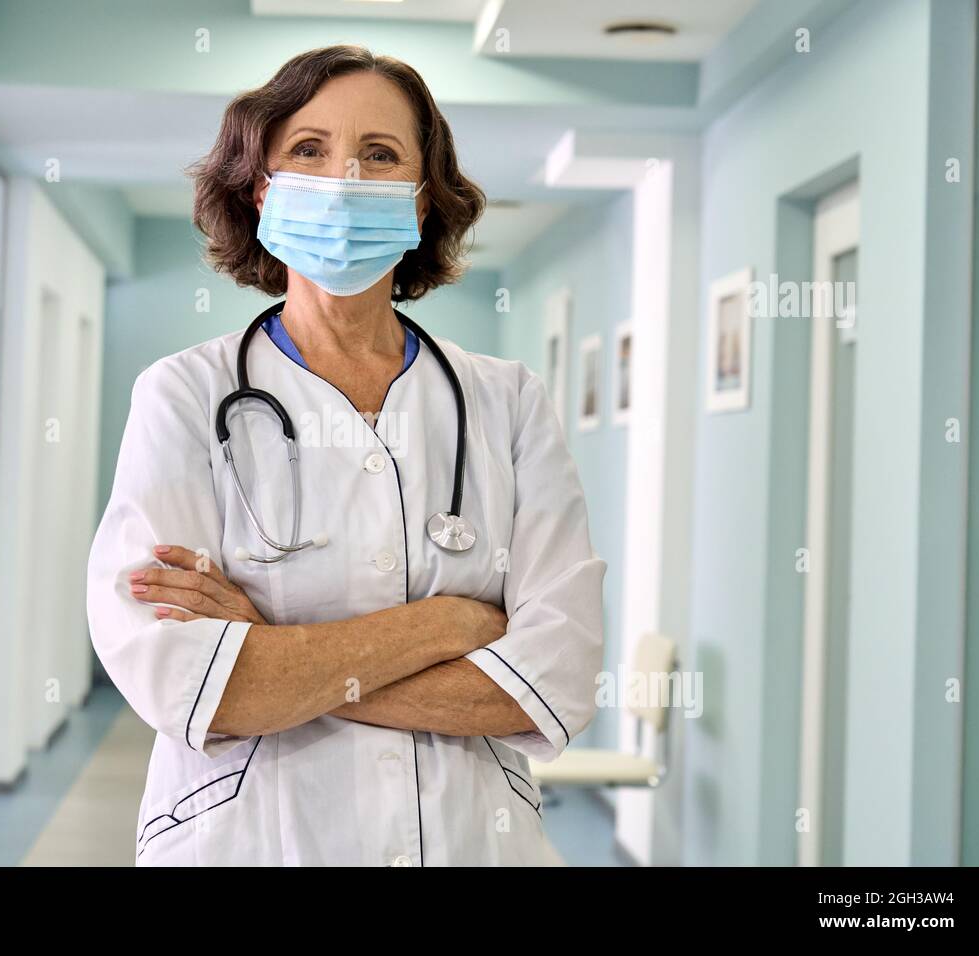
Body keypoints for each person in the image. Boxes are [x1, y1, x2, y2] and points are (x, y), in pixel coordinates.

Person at [86, 45, 605, 866]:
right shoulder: (183, 396)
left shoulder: (508, 402)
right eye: (309, 150)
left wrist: (277, 653)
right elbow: (185, 681)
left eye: (381, 155)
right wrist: (449, 625)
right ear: (262, 189)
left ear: (424, 200)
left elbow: (556, 682)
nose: (345, 180)